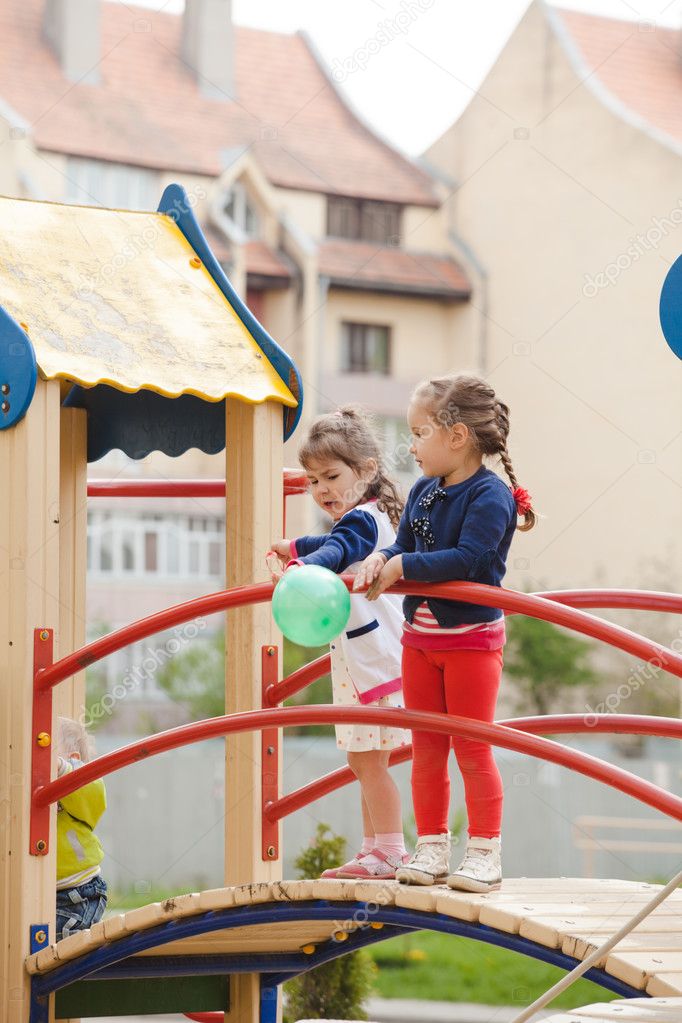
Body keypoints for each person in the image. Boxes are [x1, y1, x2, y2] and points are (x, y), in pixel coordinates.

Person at [354, 374, 536, 892]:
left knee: (472, 747)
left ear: (456, 436)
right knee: (427, 747)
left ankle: (484, 851)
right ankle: (431, 845)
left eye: (417, 434)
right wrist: (381, 557)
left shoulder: (490, 496)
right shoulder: (423, 492)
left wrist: (405, 562)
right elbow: (402, 544)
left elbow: (471, 560)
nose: (409, 446)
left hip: (471, 641)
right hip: (421, 640)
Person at [268, 407, 410, 880]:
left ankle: (390, 850)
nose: (321, 489)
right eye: (312, 481)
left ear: (366, 470)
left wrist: (304, 567)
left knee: (366, 758)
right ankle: (376, 850)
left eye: (331, 475)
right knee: (367, 758)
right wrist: (294, 548)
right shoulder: (371, 517)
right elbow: (334, 542)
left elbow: (338, 548)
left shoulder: (361, 523)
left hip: (371, 662)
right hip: (378, 658)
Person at [55, 717, 108, 940]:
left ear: (73, 760)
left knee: (61, 949)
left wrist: (62, 769)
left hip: (78, 892)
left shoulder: (81, 786)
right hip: (45, 890)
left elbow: (94, 790)